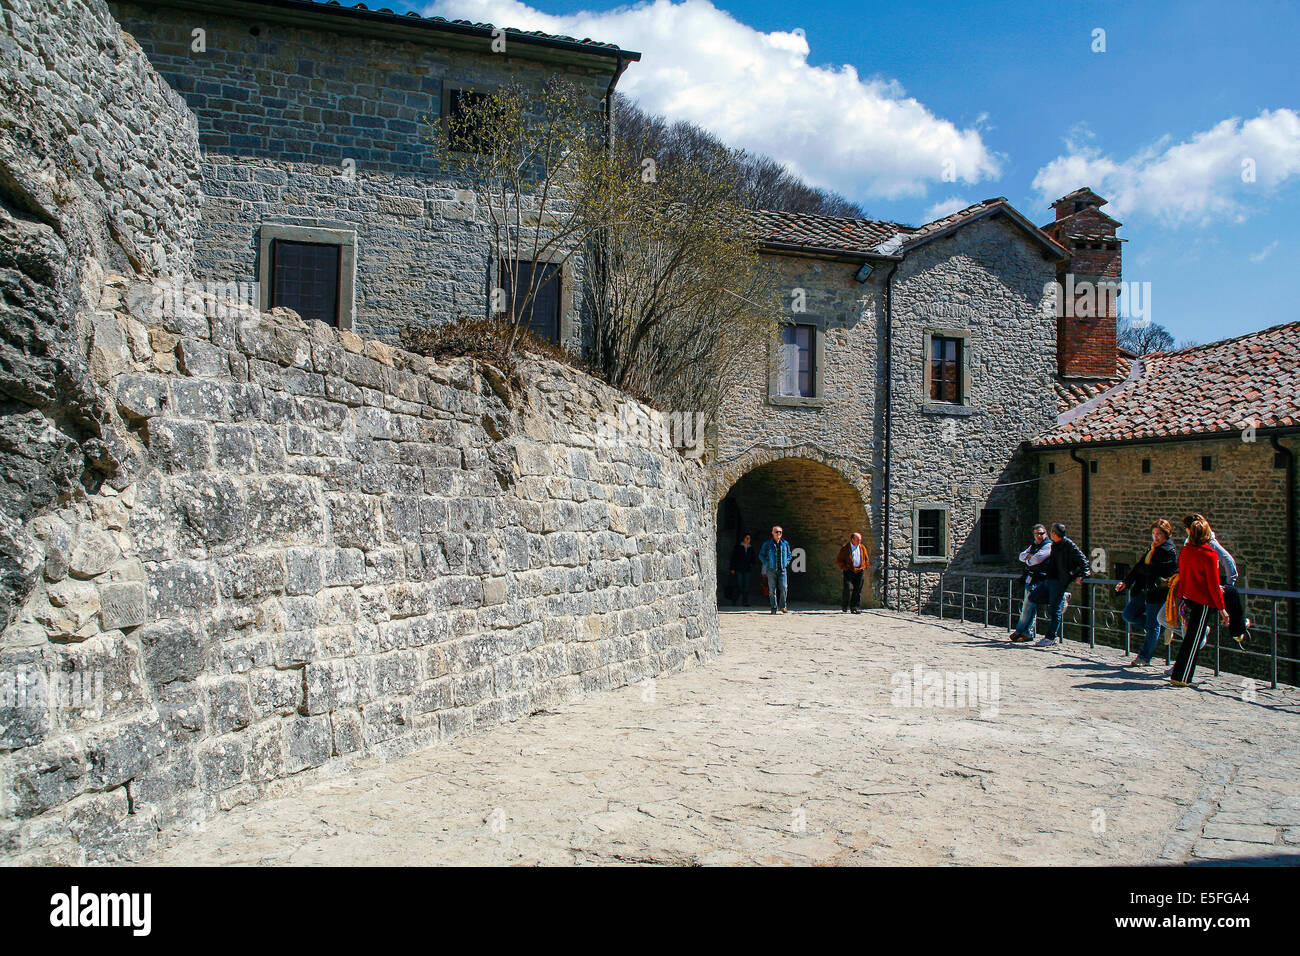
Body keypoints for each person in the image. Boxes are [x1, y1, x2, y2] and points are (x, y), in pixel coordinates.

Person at [1169, 514, 1229, 686]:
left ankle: (1179, 675)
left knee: (1190, 638)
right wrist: (1222, 609)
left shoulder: (1186, 551)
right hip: (1202, 601)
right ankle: (1182, 677)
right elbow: (1213, 585)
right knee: (1193, 640)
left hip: (1188, 597)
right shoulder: (1209, 555)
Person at [1116, 519, 1178, 666]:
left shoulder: (1168, 550)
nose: (1156, 537)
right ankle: (1162, 628)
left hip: (1158, 593)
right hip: (1145, 590)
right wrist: (1126, 582)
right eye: (1154, 533)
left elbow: (1153, 570)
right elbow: (1140, 566)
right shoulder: (1153, 548)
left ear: (1166, 534)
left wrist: (1145, 569)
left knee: (1152, 627)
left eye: (1159, 534)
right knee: (1129, 614)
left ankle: (1144, 656)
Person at [1037, 522, 1089, 647]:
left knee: (1054, 610)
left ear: (1054, 534)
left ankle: (1051, 637)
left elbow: (1083, 561)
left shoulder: (1068, 544)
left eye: (1051, 532)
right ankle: (1063, 598)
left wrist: (1083, 574)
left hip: (1060, 581)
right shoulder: (1055, 544)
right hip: (1050, 579)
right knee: (1034, 597)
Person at [1010, 524, 1052, 642]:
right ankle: (1025, 632)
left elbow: (1035, 560)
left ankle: (1022, 631)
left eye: (1041, 533)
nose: (1039, 536)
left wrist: (1028, 558)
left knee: (1028, 607)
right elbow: (1021, 556)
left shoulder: (1048, 546)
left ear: (1046, 533)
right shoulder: (1034, 545)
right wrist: (1029, 557)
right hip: (1031, 579)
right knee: (1029, 607)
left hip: (1039, 580)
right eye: (1036, 534)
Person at [759, 526, 793, 615]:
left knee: (784, 587)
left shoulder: (785, 544)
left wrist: (786, 563)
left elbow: (789, 555)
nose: (779, 534)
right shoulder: (767, 544)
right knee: (772, 590)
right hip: (771, 569)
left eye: (780, 532)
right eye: (777, 532)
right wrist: (767, 563)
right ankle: (773, 607)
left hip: (782, 570)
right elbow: (761, 555)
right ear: (772, 533)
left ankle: (782, 606)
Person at [836, 532, 869, 614]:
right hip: (849, 570)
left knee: (858, 589)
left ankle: (854, 607)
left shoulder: (862, 547)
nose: (859, 541)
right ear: (852, 539)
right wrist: (844, 567)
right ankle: (845, 605)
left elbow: (866, 558)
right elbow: (840, 560)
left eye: (860, 540)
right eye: (858, 540)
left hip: (859, 570)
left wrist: (864, 566)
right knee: (847, 588)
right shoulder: (845, 548)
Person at [729, 534, 756, 607]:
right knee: (739, 585)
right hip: (738, 569)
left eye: (749, 538)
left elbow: (753, 558)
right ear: (743, 539)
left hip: (747, 570)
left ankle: (745, 602)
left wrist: (751, 564)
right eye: (746, 538)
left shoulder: (751, 548)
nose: (748, 539)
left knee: (746, 586)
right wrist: (732, 568)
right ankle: (734, 600)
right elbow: (733, 558)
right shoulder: (738, 547)